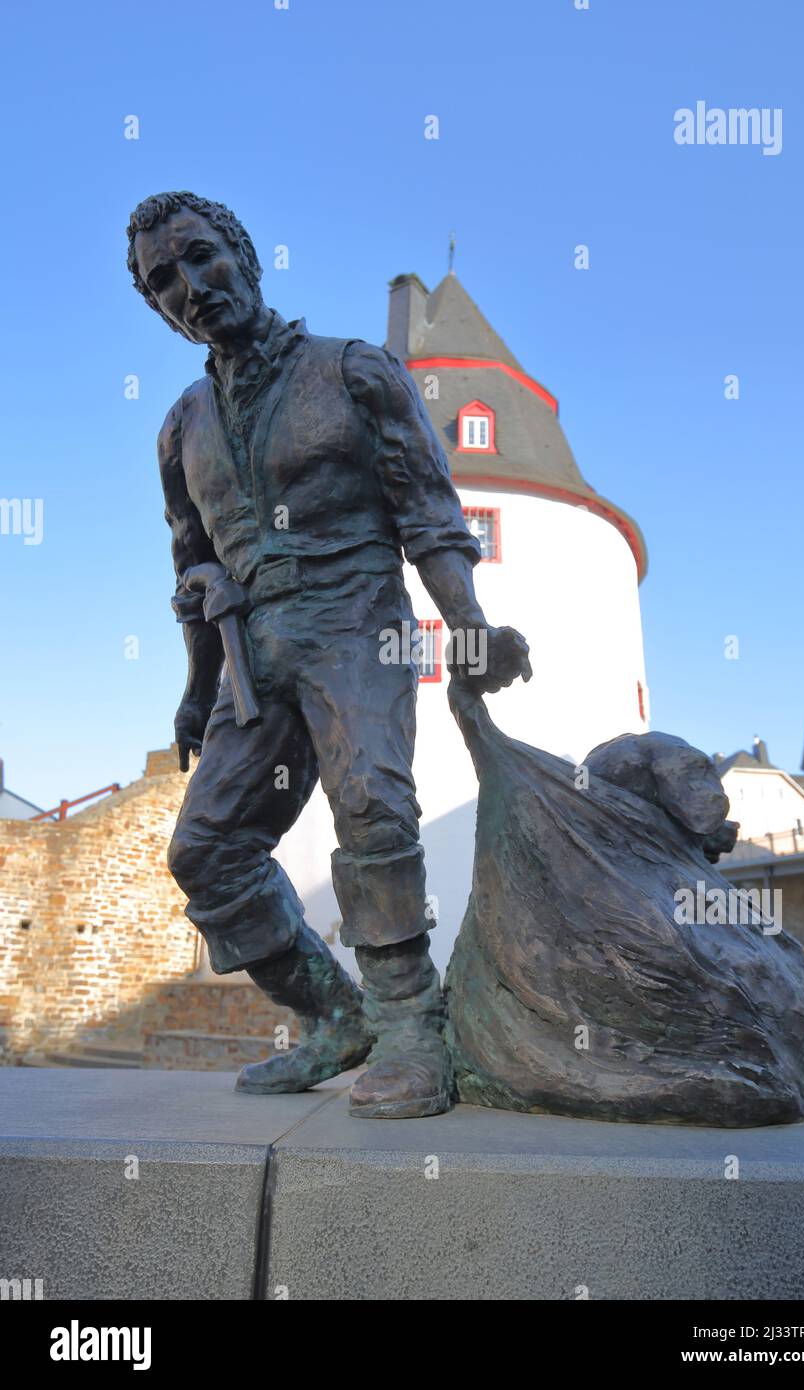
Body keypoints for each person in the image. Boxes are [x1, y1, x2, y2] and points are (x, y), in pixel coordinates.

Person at [127, 191, 531, 1117]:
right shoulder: (181, 427)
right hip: (249, 649)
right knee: (207, 850)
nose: (190, 288)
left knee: (375, 806)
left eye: (201, 259)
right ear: (158, 308)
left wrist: (466, 620)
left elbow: (432, 515)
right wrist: (196, 691)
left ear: (244, 253)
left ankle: (408, 1028)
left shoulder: (353, 371)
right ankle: (333, 1014)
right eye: (164, 283)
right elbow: (194, 568)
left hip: (357, 618)